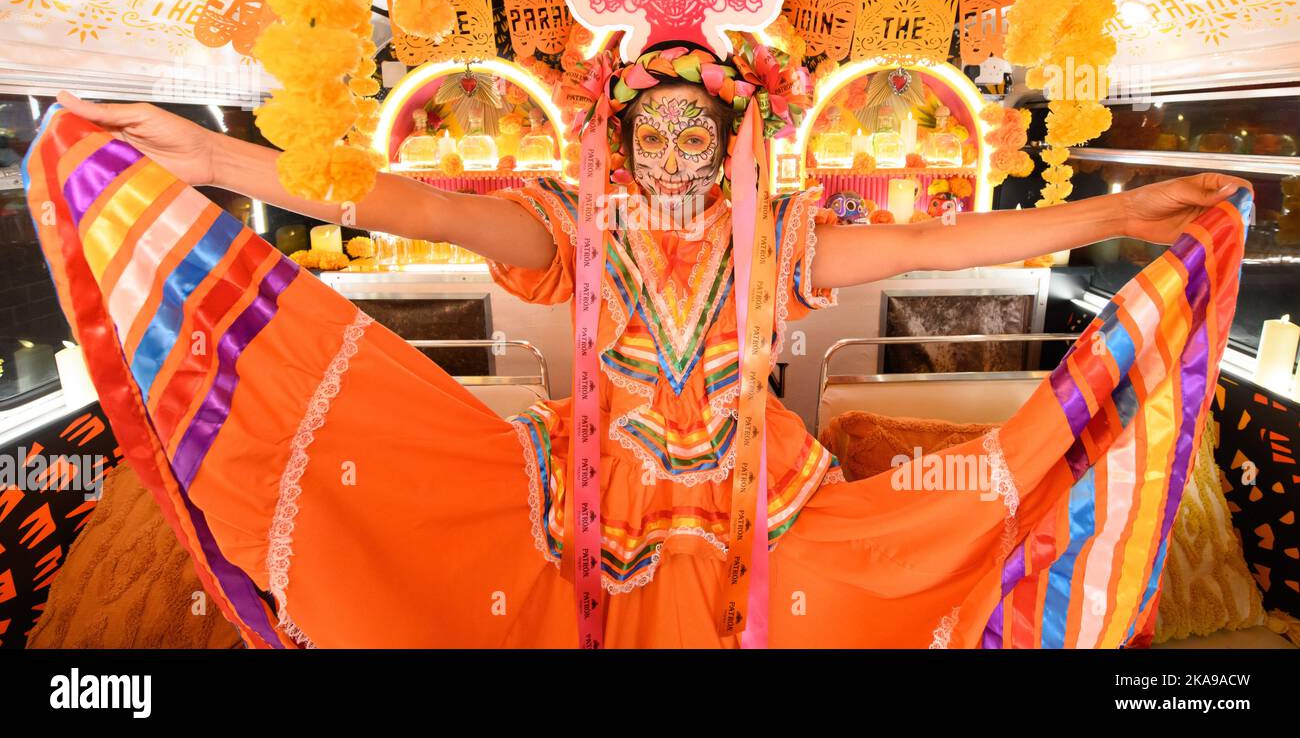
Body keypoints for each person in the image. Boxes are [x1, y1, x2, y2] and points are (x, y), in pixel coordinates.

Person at [34, 51, 1250, 648]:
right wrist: (218, 165)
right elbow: (400, 206)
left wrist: (1106, 218)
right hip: (597, 503)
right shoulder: (563, 227)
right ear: (611, 139)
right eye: (647, 133)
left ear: (732, 141)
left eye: (693, 132)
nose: (670, 155)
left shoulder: (779, 238)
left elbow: (944, 242)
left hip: (757, 507)